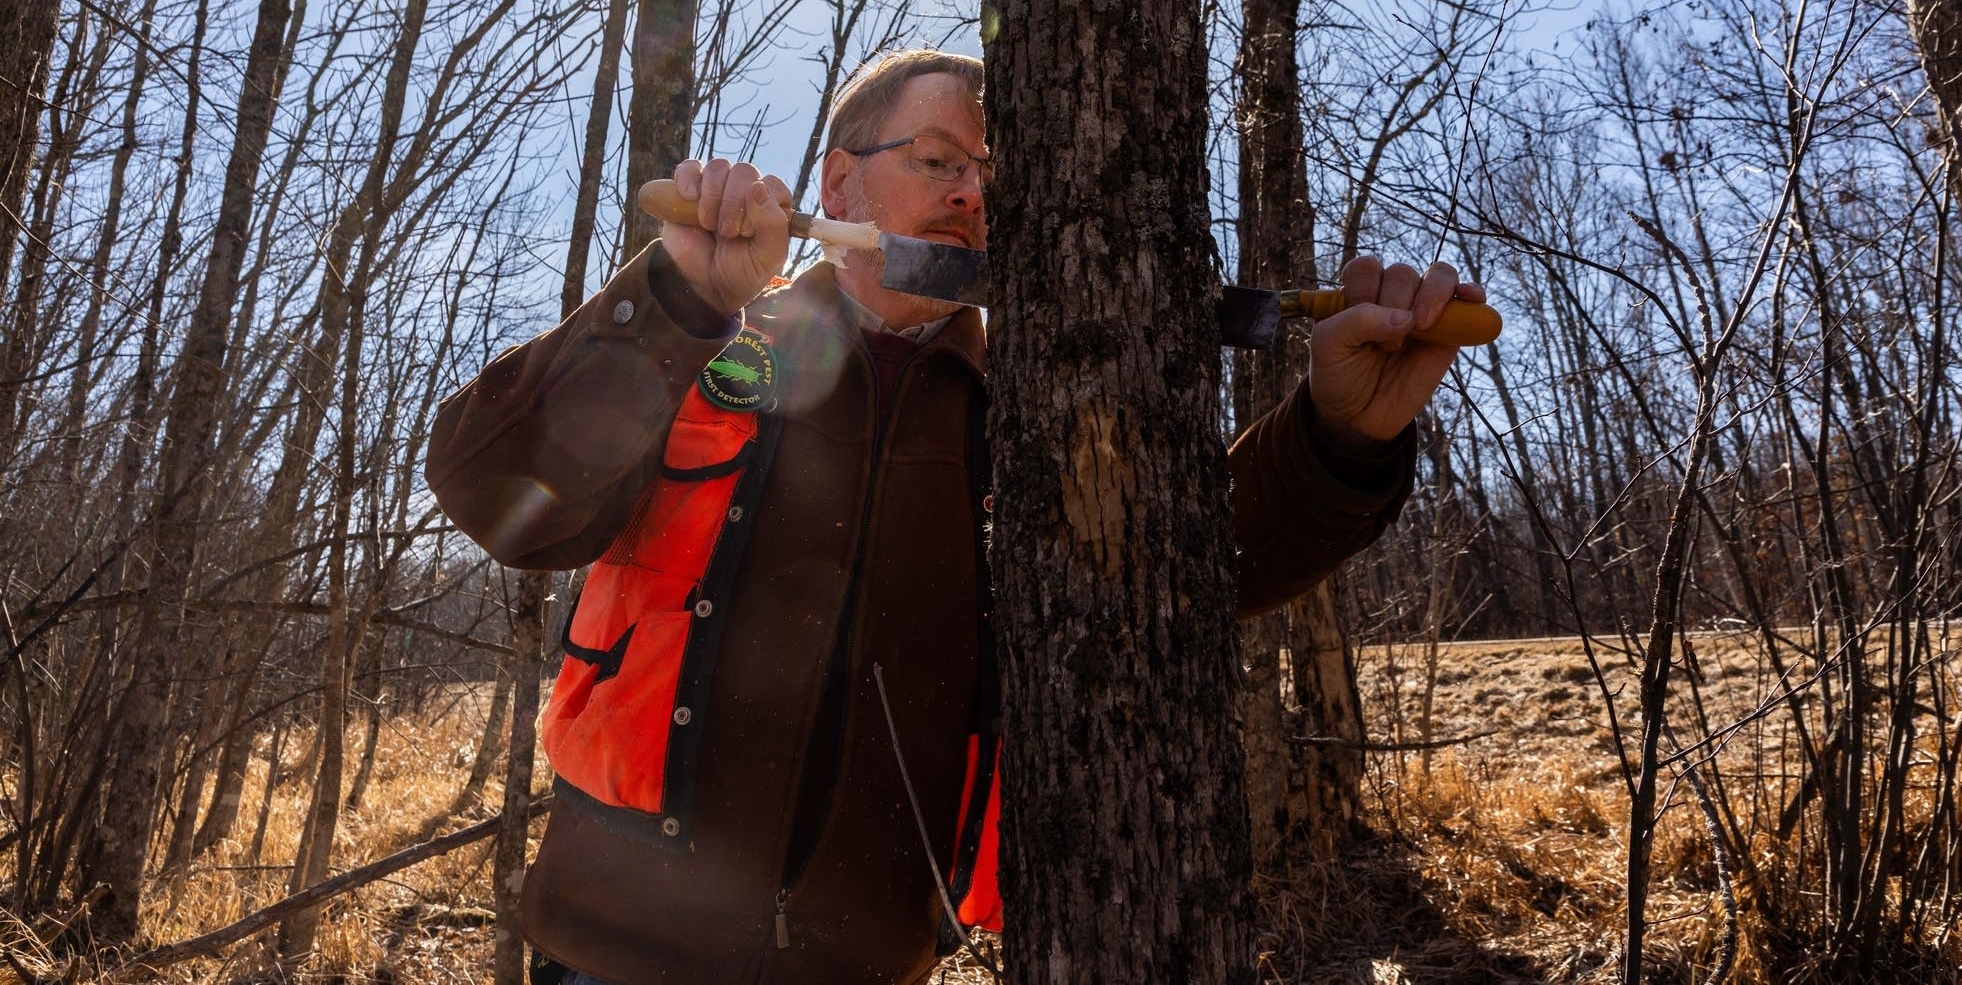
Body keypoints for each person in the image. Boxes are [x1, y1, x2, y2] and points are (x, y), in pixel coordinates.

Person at [425, 49, 1483, 985]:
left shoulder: (1029, 409)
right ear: (839, 179)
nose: (973, 195)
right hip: (616, 957)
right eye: (938, 160)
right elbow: (497, 496)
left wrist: (1338, 435)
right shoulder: (703, 344)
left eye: (991, 176)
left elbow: (1202, 570)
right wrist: (671, 297)